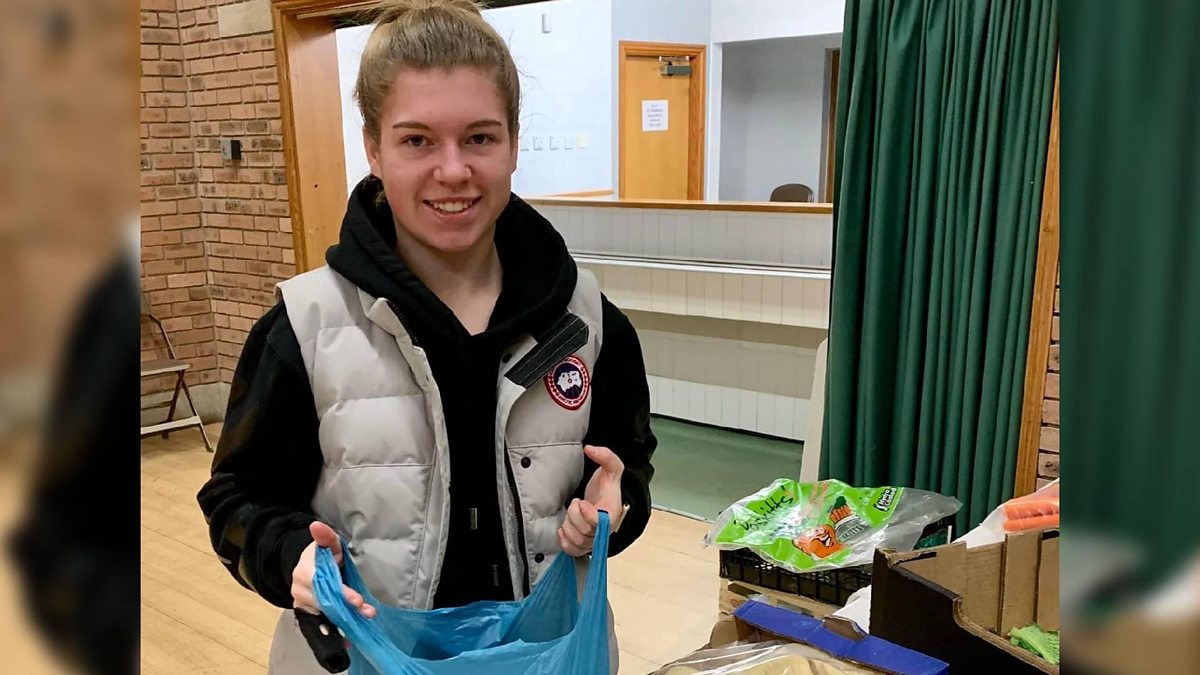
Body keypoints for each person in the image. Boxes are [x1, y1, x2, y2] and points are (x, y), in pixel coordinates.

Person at [196, 0, 656, 672]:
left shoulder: (585, 320)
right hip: (363, 656)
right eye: (417, 141)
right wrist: (289, 552)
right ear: (373, 148)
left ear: (514, 143)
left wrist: (618, 505)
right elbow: (236, 497)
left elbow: (627, 463)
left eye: (479, 138)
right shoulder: (306, 325)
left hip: (548, 654)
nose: (453, 171)